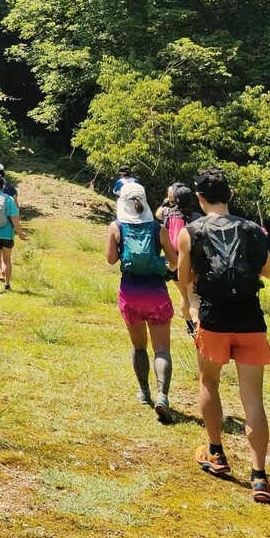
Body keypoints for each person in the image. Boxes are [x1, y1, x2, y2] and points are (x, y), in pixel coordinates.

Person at [177, 167, 270, 503]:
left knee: (209, 383)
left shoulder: (190, 232)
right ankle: (259, 477)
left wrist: (188, 305)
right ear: (230, 195)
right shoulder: (253, 230)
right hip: (250, 320)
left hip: (213, 319)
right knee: (253, 400)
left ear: (200, 198)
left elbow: (184, 276)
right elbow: (269, 271)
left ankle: (216, 452)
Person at [105, 179, 177, 422]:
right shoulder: (158, 228)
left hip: (130, 293)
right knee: (162, 349)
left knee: (139, 347)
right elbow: (174, 262)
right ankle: (162, 396)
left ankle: (144, 392)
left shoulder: (116, 227)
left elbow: (110, 259)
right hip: (156, 293)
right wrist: (160, 265)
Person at [158, 182, 198, 336]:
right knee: (192, 295)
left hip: (172, 259)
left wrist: (167, 200)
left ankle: (189, 326)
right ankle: (195, 327)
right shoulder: (196, 217)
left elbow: (157, 213)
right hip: (189, 260)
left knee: (183, 295)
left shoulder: (166, 212)